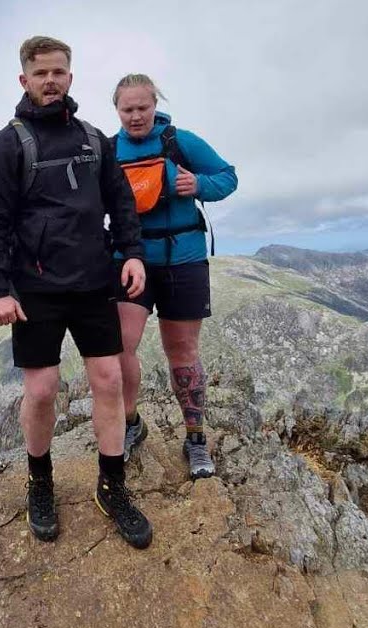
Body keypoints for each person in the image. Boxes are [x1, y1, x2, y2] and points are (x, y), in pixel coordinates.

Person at [0, 37, 152, 549]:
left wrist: (133, 252)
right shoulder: (5, 147)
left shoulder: (95, 140)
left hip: (93, 282)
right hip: (34, 291)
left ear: (71, 77)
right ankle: (39, 480)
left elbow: (120, 203)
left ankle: (111, 487)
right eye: (40, 73)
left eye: (59, 72)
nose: (50, 80)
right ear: (24, 80)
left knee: (109, 380)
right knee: (42, 389)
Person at [110, 74, 237, 479]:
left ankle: (196, 439)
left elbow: (228, 177)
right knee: (119, 346)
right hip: (129, 261)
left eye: (142, 108)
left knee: (182, 352)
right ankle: (132, 424)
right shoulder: (109, 150)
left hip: (184, 258)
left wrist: (197, 183)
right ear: (117, 110)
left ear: (155, 105)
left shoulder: (181, 142)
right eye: (127, 109)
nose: (135, 116)